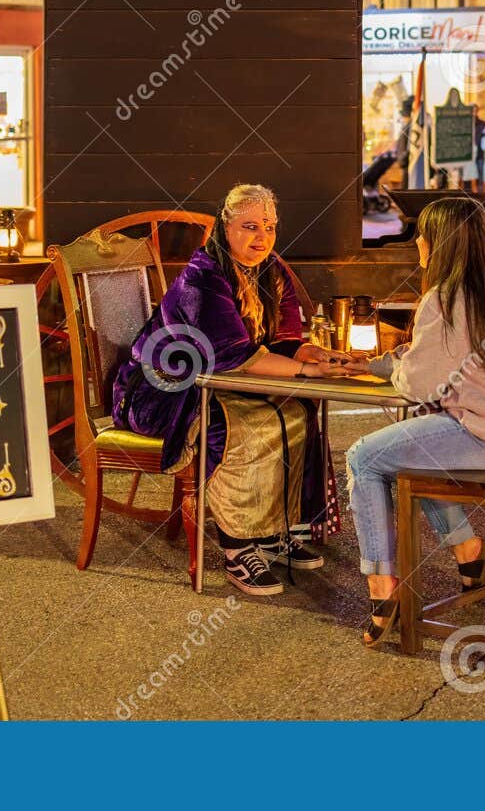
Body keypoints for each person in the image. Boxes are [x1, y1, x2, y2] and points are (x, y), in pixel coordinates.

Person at [342, 197, 485, 643]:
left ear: (439, 244)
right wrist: (385, 365)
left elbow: (419, 387)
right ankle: (470, 554)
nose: (418, 244)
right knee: (418, 446)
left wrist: (391, 367)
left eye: (423, 236)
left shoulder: (445, 299)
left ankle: (382, 587)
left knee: (365, 458)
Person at [113, 184, 354, 596]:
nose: (262, 237)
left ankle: (273, 530)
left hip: (223, 381)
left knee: (297, 412)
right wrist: (305, 372)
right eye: (250, 227)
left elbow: (284, 339)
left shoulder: (271, 271)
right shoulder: (202, 277)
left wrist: (319, 355)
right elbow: (231, 355)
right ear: (225, 227)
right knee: (243, 425)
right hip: (165, 391)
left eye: (270, 227)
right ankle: (238, 547)